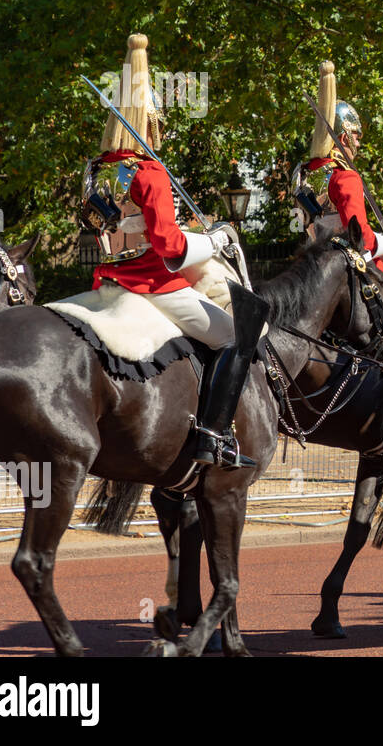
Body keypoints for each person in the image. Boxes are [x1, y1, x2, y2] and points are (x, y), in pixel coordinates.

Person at [81, 33, 263, 469]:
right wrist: (217, 240)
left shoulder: (96, 170)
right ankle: (214, 437)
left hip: (107, 279)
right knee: (237, 337)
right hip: (153, 283)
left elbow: (115, 226)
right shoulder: (149, 172)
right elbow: (171, 249)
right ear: (150, 121)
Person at [293, 61, 383, 306]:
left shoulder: (302, 173)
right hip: (353, 272)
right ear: (343, 136)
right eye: (356, 136)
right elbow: (361, 239)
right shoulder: (345, 177)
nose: (358, 143)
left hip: (313, 269)